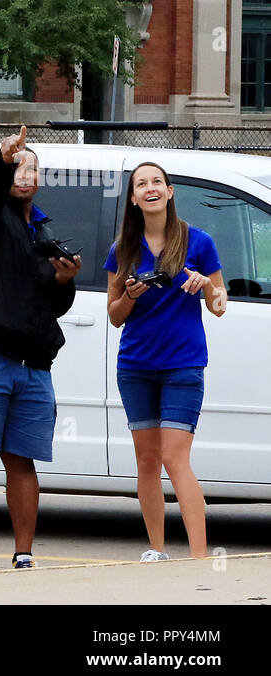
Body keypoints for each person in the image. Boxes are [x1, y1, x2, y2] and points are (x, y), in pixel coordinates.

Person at [0, 126, 82, 571]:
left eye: (33, 168)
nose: (27, 175)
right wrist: (2, 160)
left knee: (22, 461)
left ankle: (24, 555)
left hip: (33, 363)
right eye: (21, 167)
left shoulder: (42, 231)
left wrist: (64, 281)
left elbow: (51, 305)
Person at [106, 162, 225, 561]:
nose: (150, 188)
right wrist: (132, 295)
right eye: (142, 184)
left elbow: (220, 304)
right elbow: (115, 315)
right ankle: (156, 549)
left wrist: (207, 286)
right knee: (147, 459)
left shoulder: (199, 241)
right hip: (136, 366)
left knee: (175, 458)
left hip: (183, 365)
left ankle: (198, 556)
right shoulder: (122, 249)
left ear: (170, 192)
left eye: (157, 181)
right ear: (135, 198)